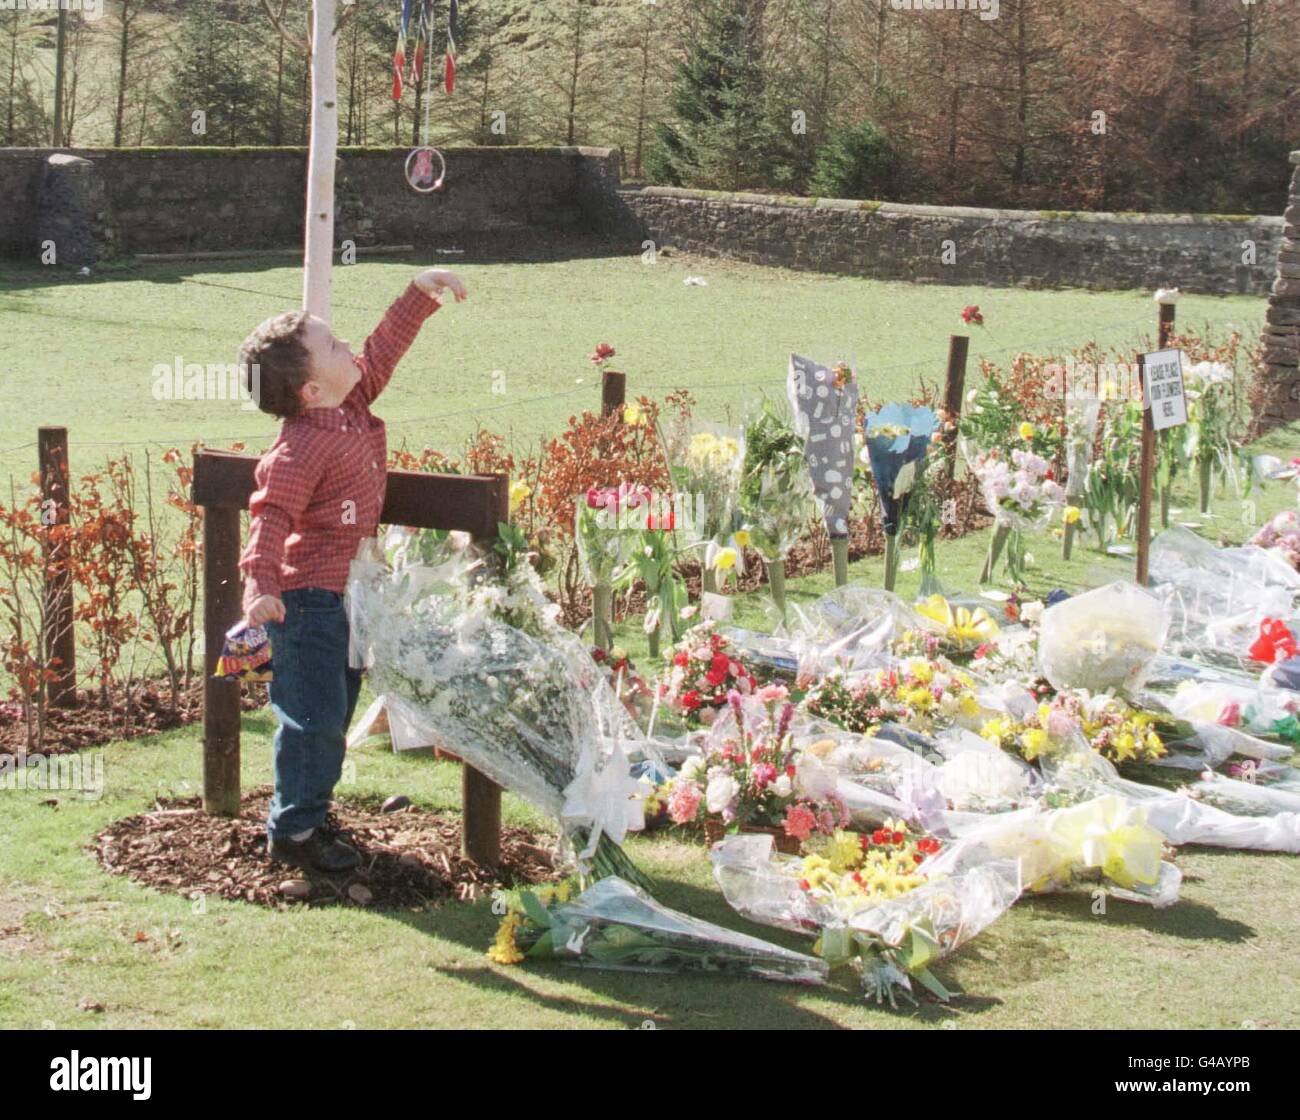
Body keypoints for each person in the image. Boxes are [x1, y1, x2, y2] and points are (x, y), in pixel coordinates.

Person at [237, 268, 468, 873]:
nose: (350, 351)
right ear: (310, 390)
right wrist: (260, 586)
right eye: (334, 348)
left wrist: (420, 293)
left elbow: (382, 350)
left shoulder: (351, 402)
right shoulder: (298, 448)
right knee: (311, 718)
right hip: (306, 600)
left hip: (345, 598)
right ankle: (294, 833)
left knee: (333, 713)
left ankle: (310, 811)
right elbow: (270, 517)